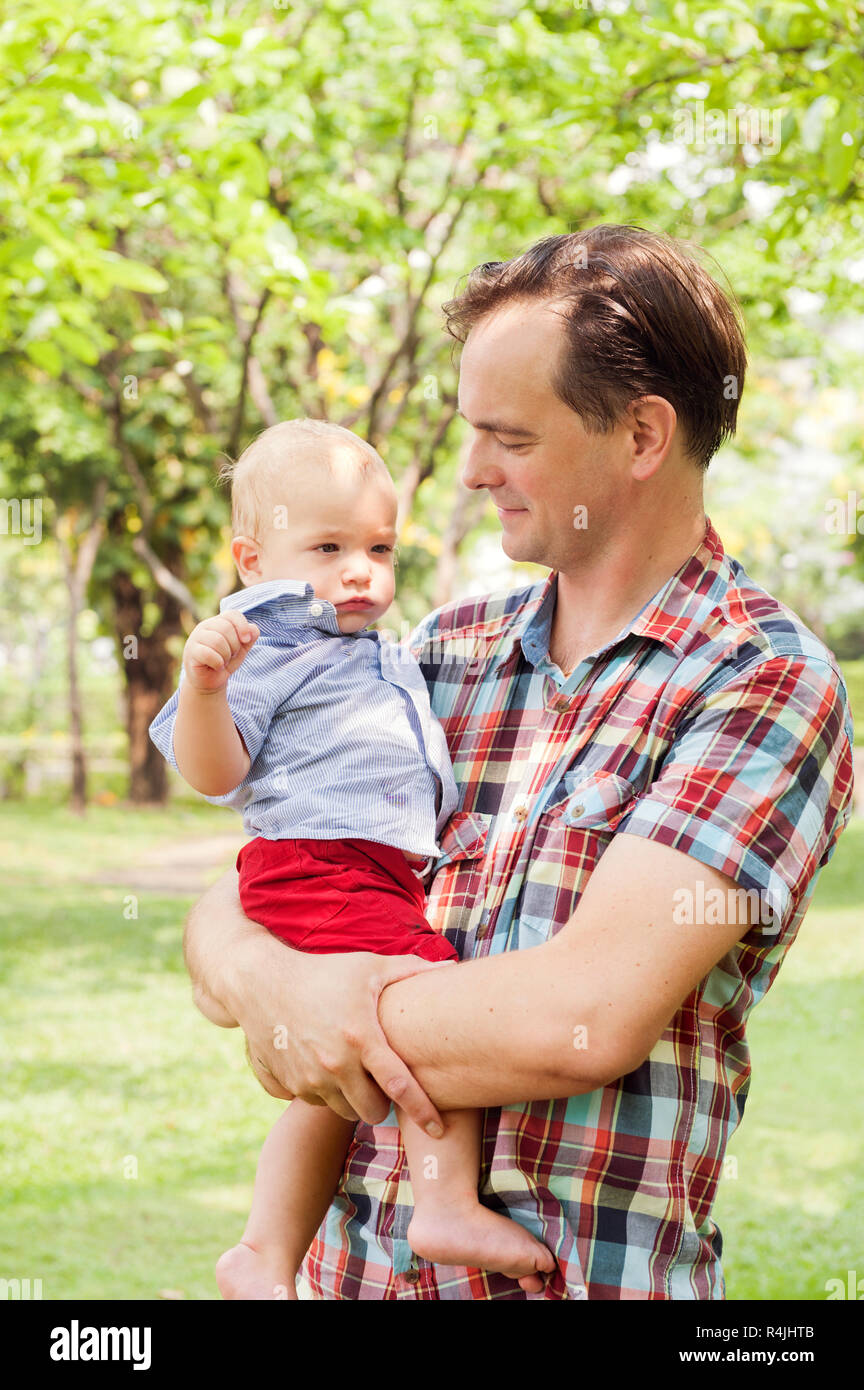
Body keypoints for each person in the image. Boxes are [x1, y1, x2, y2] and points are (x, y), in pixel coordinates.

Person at [182, 226, 854, 1300]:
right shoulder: (439, 652)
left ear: (641, 436)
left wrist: (315, 1011)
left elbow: (572, 1020)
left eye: (511, 438)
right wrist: (272, 982)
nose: (472, 471)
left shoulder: (761, 682)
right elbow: (238, 900)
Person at [149, 418, 556, 1300]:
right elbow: (216, 775)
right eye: (327, 545)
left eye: (379, 545)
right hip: (315, 865)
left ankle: (263, 1251)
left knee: (338, 1069)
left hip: (364, 869)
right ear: (253, 560)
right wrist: (204, 688)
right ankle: (444, 1201)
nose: (361, 568)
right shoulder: (265, 644)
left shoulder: (378, 649)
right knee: (420, 995)